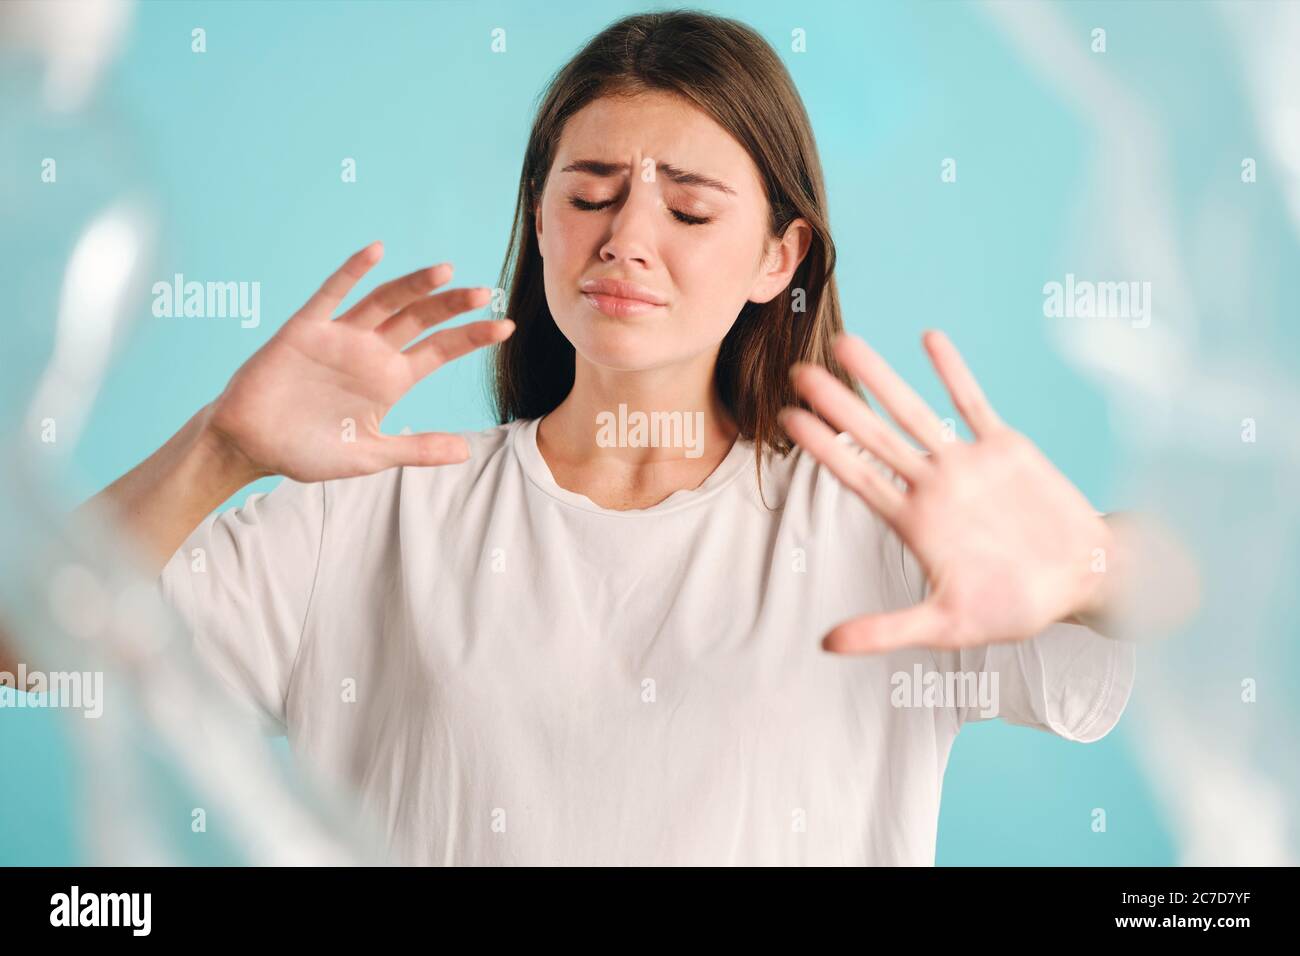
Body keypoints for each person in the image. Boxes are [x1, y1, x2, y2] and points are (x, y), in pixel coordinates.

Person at [73, 11, 1145, 865]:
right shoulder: (375, 511)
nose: (625, 238)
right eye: (589, 194)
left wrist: (1091, 558)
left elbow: (1205, 604)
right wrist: (218, 449)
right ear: (540, 221)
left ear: (781, 258)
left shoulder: (880, 532)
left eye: (687, 211)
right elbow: (25, 653)